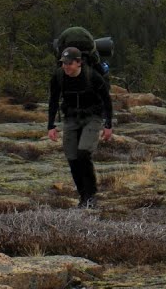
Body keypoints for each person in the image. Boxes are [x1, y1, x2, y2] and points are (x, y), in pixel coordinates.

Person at [47, 40, 113, 209]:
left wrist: (108, 125)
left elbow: (106, 100)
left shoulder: (93, 76)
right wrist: (51, 126)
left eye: (69, 64)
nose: (66, 67)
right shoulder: (58, 77)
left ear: (78, 62)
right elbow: (53, 100)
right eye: (63, 63)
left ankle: (91, 195)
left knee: (83, 152)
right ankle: (83, 196)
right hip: (71, 118)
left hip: (92, 117)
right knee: (72, 158)